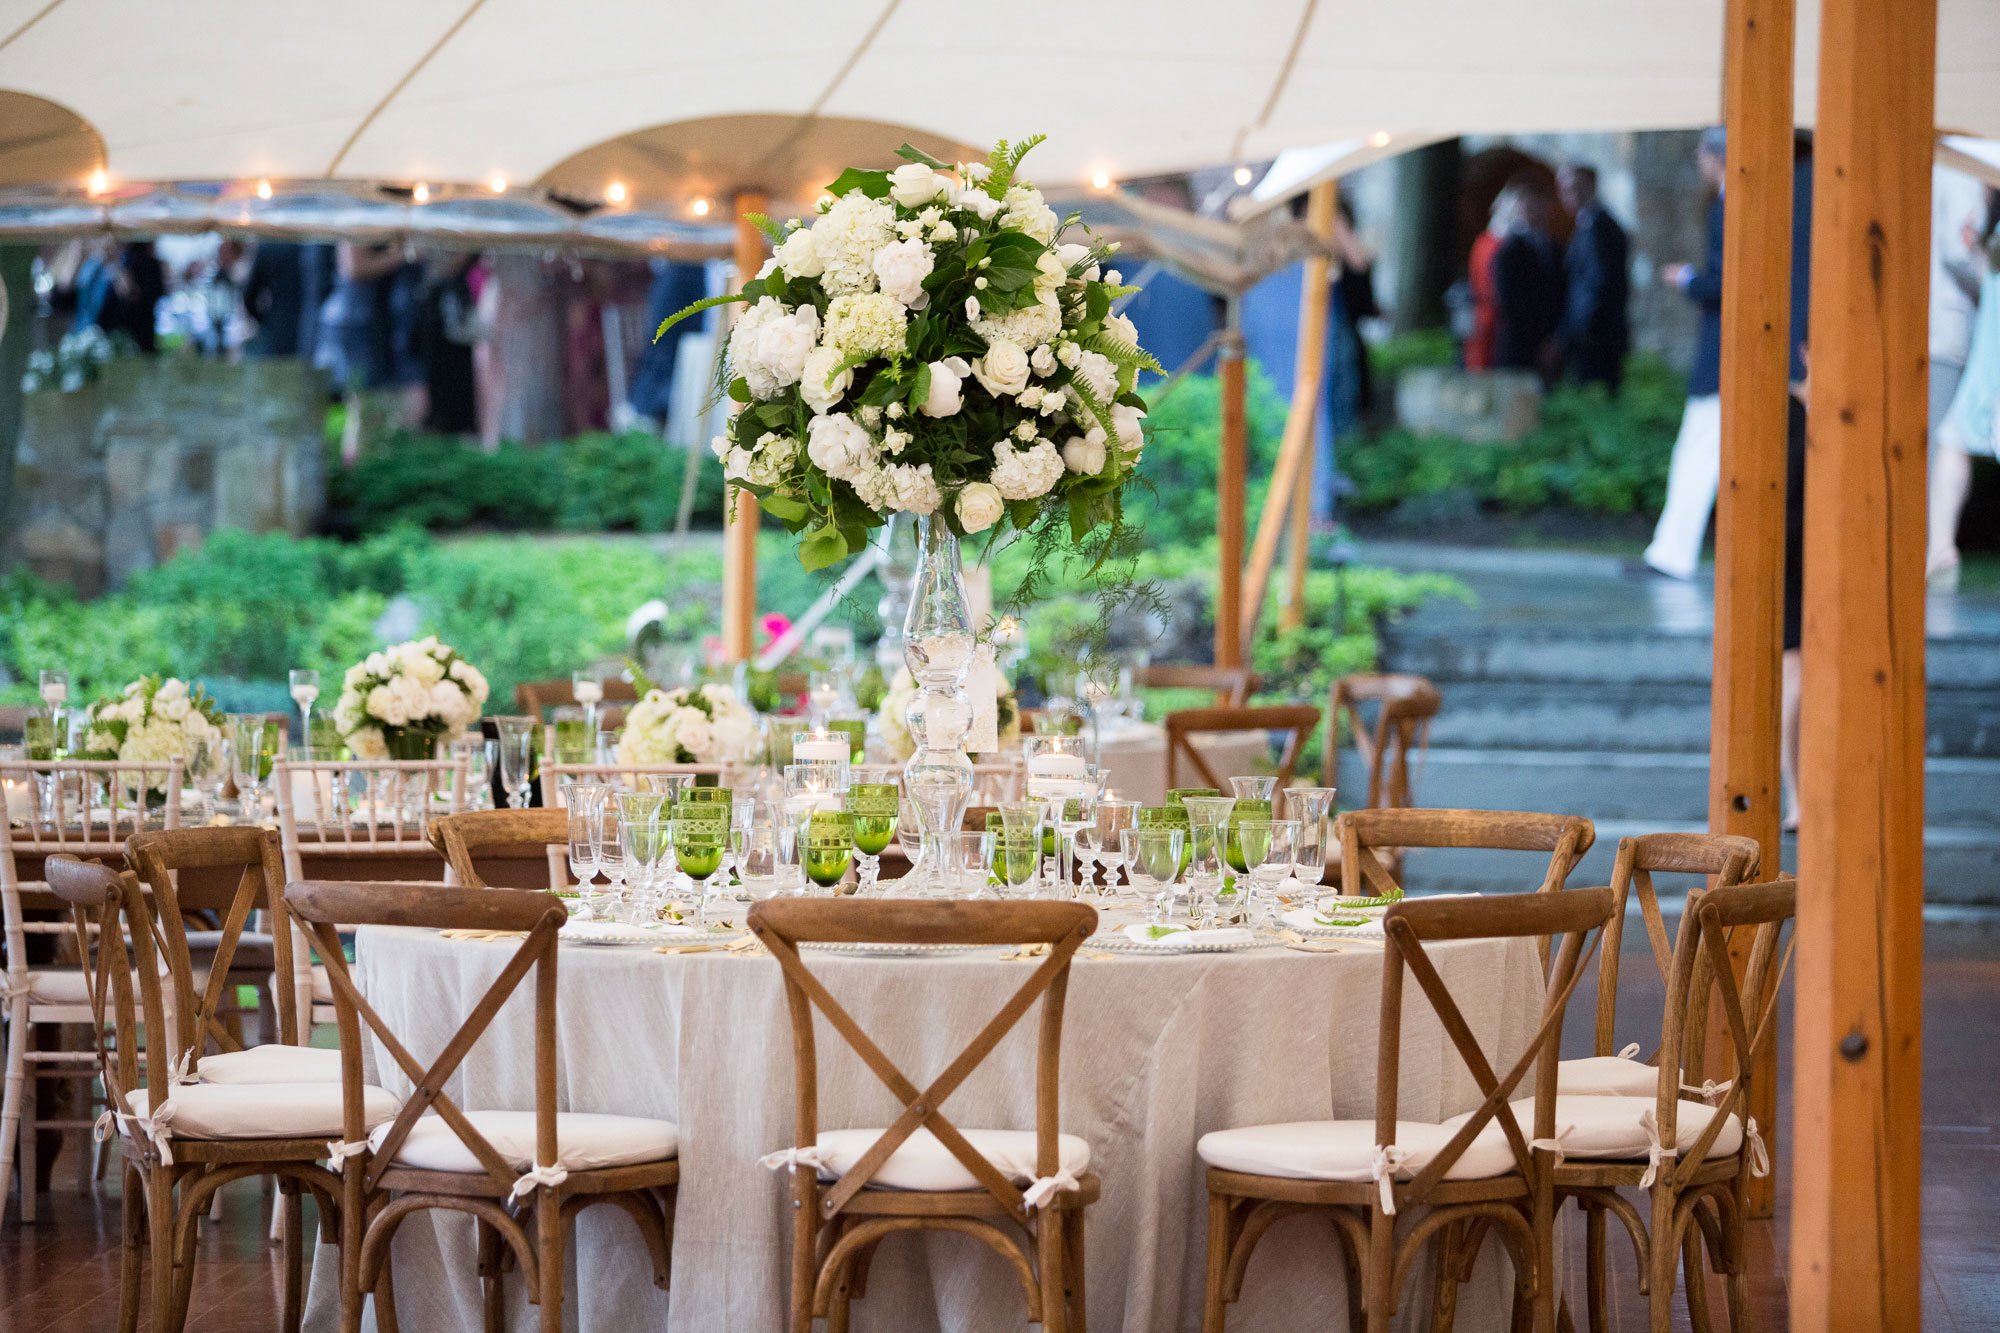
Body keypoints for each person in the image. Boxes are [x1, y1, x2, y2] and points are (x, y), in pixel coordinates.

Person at [1643, 129, 1730, 580]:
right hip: (1723, 352)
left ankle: (1673, 553)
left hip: (1723, 355)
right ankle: (1670, 549)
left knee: (1699, 450)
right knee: (1698, 449)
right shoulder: (1728, 203)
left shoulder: (1728, 204)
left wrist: (1688, 280)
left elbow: (1725, 281)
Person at [1924, 169, 1995, 586]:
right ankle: (1936, 544)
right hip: (1947, 323)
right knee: (1946, 437)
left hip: (1940, 324)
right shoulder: (1960, 167)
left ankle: (1935, 545)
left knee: (1947, 437)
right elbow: (1961, 246)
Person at [1557, 163, 1631, 392]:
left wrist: (1577, 331)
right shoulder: (1589, 224)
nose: (1571, 195)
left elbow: (1598, 283)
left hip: (1594, 337)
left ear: (1591, 186)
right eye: (1565, 189)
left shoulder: (1597, 227)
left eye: (1577, 187)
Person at [1490, 181, 1565, 384]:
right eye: (1530, 205)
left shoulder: (1557, 250)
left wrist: (1556, 339)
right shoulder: (1507, 252)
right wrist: (1538, 343)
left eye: (1541, 205)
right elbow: (1510, 303)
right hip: (1520, 347)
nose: (1536, 211)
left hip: (1553, 346)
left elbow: (1562, 296)